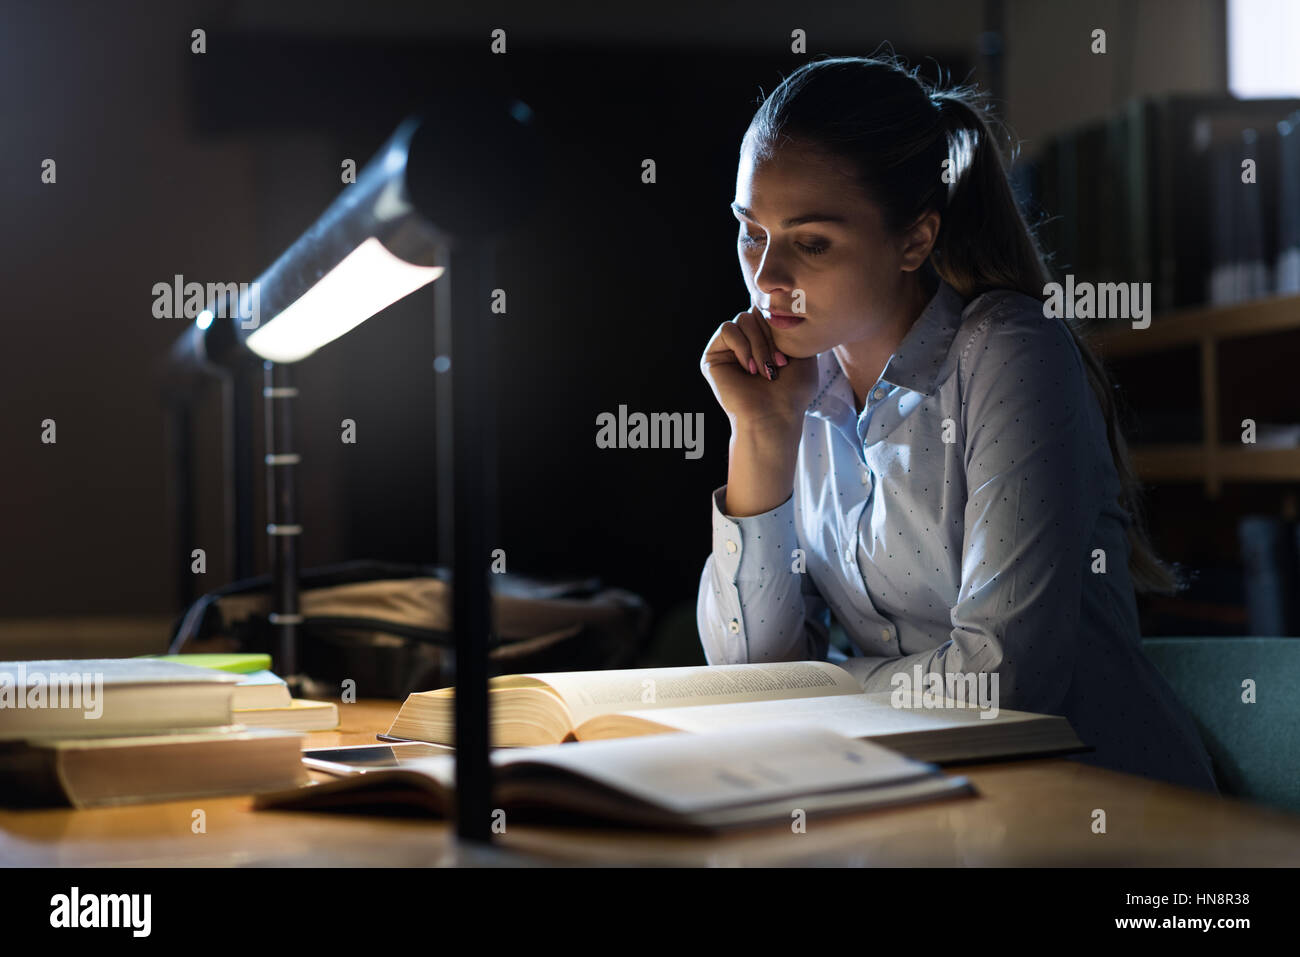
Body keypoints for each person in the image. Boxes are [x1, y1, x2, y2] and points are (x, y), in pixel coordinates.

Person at [696, 55, 1218, 793]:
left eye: (811, 243)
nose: (767, 278)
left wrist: (821, 685)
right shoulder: (794, 388)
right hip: (914, 799)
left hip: (1095, 805)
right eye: (752, 233)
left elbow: (1003, 685)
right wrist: (761, 437)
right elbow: (748, 681)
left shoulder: (1010, 352)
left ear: (915, 241)